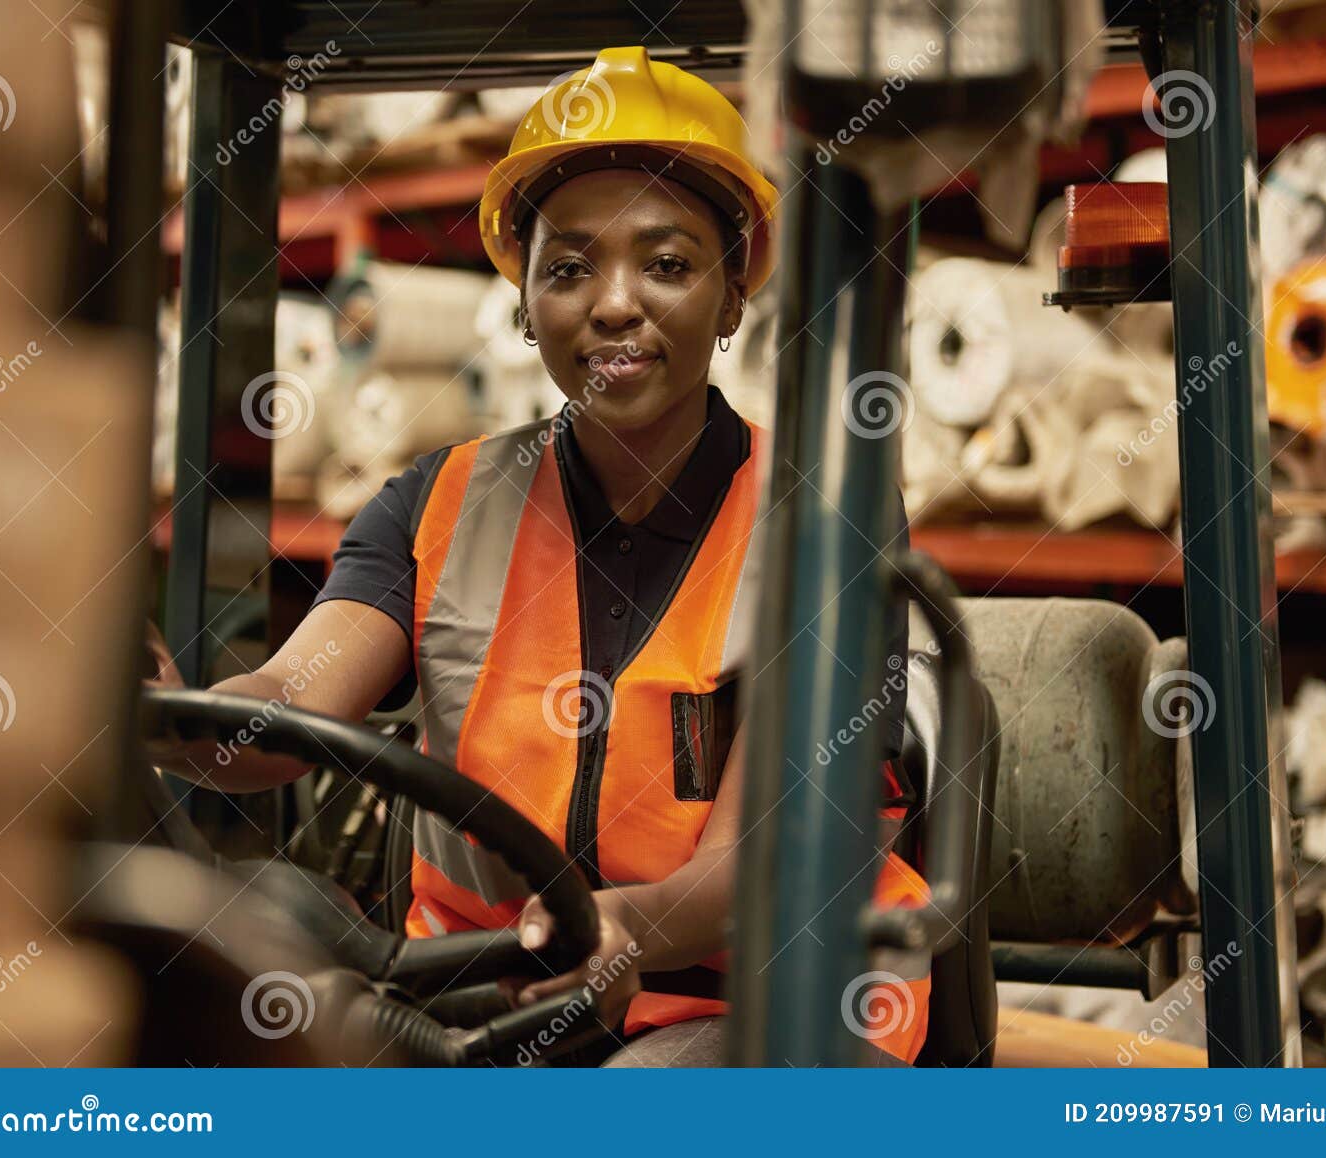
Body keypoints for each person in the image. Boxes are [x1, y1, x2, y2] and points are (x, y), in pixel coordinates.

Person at [144, 46, 929, 1066]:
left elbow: (761, 863)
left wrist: (619, 932)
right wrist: (163, 715)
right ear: (521, 303)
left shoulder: (827, 523)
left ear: (735, 295)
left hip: (752, 1002)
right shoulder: (437, 503)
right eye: (566, 266)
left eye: (669, 262)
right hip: (469, 989)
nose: (611, 304)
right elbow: (286, 708)